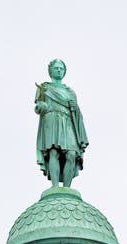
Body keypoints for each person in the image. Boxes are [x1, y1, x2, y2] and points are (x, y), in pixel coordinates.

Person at [35, 59, 88, 188]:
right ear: (50, 71)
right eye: (56, 68)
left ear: (64, 72)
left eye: (61, 68)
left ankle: (66, 187)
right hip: (51, 119)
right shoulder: (44, 88)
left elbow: (76, 113)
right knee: (53, 152)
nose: (59, 70)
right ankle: (55, 186)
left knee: (71, 154)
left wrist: (74, 107)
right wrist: (41, 106)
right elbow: (38, 107)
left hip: (68, 122)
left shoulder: (71, 92)